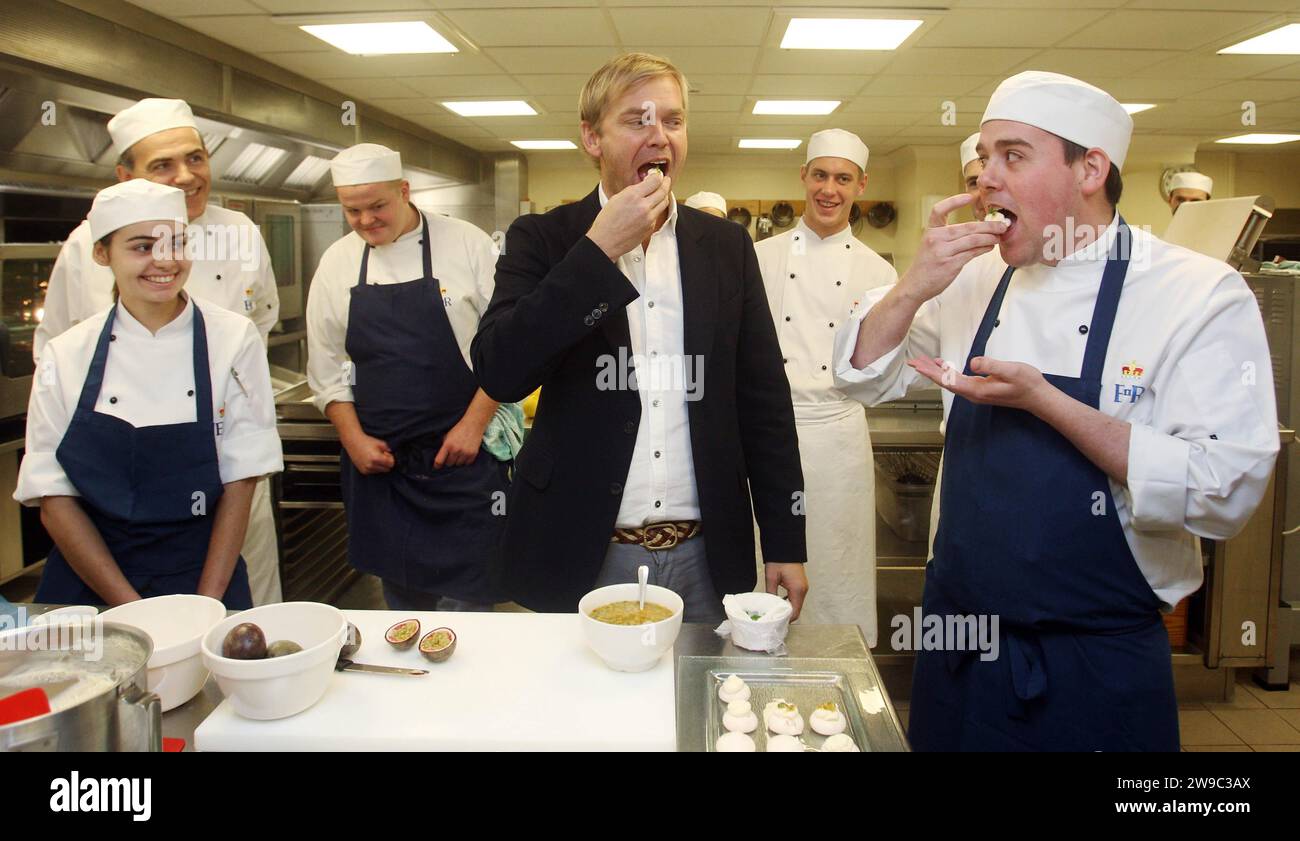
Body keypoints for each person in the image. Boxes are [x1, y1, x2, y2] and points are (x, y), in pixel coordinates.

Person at [834, 71, 1279, 750]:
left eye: (1013, 156)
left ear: (1091, 168)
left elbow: (1224, 487)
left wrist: (1049, 403)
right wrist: (916, 281)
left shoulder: (1195, 293)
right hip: (960, 641)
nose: (987, 178)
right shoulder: (976, 277)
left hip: (1095, 661)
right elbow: (859, 373)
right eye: (984, 158)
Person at [471, 53, 808, 621]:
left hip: (707, 553)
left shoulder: (725, 248)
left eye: (672, 121)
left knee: (698, 706)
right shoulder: (542, 240)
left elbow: (764, 401)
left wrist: (784, 539)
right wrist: (597, 253)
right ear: (592, 138)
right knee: (581, 709)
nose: (659, 136)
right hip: (581, 550)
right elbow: (501, 369)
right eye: (636, 121)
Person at [35, 98, 283, 606]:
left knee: (239, 640)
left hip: (226, 496)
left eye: (196, 158)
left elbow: (258, 327)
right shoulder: (83, 256)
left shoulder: (239, 243)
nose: (186, 177)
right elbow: (57, 365)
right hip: (105, 523)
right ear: (125, 175)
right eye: (162, 165)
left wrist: (205, 605)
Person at [306, 143, 510, 612]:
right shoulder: (337, 263)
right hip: (384, 470)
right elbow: (325, 368)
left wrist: (473, 425)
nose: (365, 221)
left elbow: (508, 349)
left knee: (472, 605)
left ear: (404, 190)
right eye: (352, 210)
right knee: (402, 604)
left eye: (377, 206)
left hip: (465, 461)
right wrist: (353, 438)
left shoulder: (467, 244)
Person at [754, 129, 895, 645]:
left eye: (842, 178)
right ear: (803, 178)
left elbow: (881, 368)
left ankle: (840, 662)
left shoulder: (879, 272)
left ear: (861, 185)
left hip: (838, 438)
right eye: (820, 175)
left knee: (837, 560)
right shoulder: (759, 257)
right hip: (767, 433)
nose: (829, 189)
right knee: (762, 559)